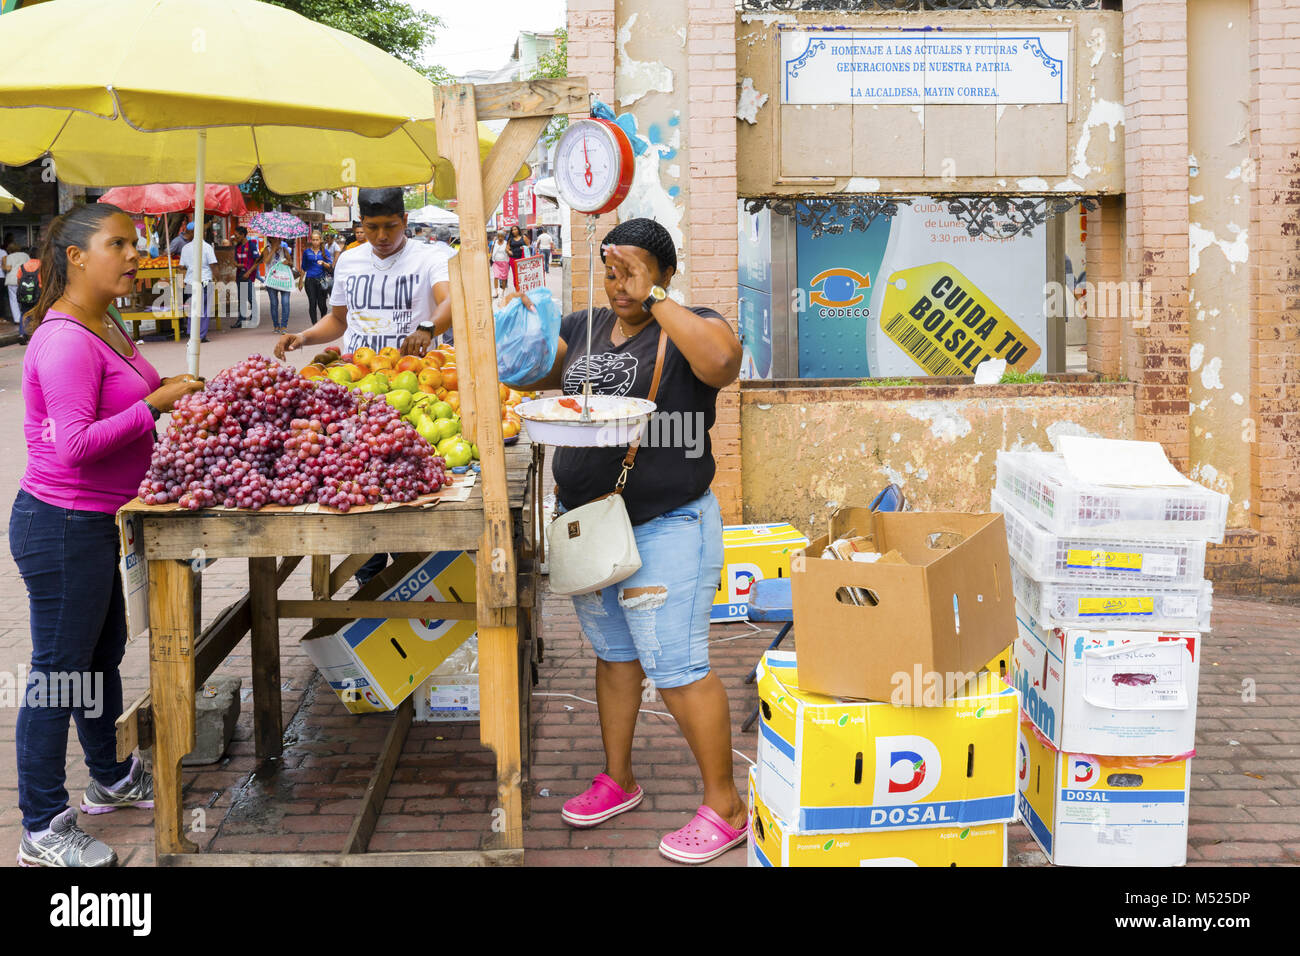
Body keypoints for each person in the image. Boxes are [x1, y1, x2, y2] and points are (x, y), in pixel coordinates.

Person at [512, 218, 745, 864]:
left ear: (665, 274)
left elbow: (723, 365)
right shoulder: (584, 326)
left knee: (677, 665)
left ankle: (726, 805)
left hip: (667, 524)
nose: (621, 285)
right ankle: (620, 777)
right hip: (591, 527)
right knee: (616, 655)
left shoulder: (692, 322)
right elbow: (533, 378)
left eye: (636, 271)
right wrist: (512, 328)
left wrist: (657, 300)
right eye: (613, 270)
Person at [11, 203, 204, 867]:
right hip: (64, 524)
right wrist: (155, 404)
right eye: (118, 243)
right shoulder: (65, 339)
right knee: (58, 676)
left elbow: (127, 406)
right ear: (75, 256)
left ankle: (112, 778)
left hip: (104, 523)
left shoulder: (109, 323)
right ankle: (41, 826)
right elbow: (74, 448)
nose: (132, 254)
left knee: (100, 655)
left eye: (135, 242)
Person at [272, 187, 454, 584]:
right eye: (372, 228)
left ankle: (419, 586)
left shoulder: (431, 257)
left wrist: (427, 327)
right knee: (361, 490)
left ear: (405, 221)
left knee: (405, 493)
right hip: (353, 394)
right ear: (361, 226)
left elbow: (449, 301)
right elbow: (339, 320)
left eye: (390, 226)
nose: (382, 236)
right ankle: (367, 589)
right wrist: (302, 338)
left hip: (413, 394)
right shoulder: (350, 260)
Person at [177, 222, 217, 343]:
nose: (205, 233)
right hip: (204, 281)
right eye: (204, 231)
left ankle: (192, 333)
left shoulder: (185, 248)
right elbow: (213, 264)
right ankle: (201, 335)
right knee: (204, 310)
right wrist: (217, 277)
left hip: (190, 282)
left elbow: (181, 266)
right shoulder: (207, 247)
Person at [260, 236, 300, 333]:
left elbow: (291, 263)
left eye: (279, 239)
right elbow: (266, 261)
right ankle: (276, 326)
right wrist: (273, 249)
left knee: (285, 302)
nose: (278, 240)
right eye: (275, 239)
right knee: (274, 304)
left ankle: (284, 326)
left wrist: (288, 263)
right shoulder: (266, 249)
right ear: (271, 239)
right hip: (271, 280)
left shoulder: (284, 249)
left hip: (284, 279)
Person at [300, 230, 334, 324]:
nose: (315, 242)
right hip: (309, 280)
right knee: (312, 303)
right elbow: (303, 267)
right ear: (311, 240)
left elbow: (330, 266)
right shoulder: (307, 252)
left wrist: (323, 263)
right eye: (313, 240)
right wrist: (300, 282)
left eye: (317, 240)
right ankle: (314, 325)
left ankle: (322, 321)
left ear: (320, 240)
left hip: (321, 280)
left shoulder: (324, 252)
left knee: (322, 304)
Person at [231, 225, 260, 327]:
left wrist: (248, 272)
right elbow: (235, 259)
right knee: (241, 298)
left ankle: (254, 318)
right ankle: (241, 320)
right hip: (240, 275)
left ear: (243, 235)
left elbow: (257, 261)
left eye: (237, 236)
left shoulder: (251, 245)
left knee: (250, 298)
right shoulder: (237, 246)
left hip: (248, 275)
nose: (235, 238)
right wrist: (236, 264)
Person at [5, 235, 31, 329]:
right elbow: (29, 266)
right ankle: (25, 317)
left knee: (13, 300)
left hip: (12, 280)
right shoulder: (25, 255)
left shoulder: (9, 256)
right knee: (24, 298)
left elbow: (8, 268)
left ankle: (17, 319)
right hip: (24, 279)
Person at [490, 232, 511, 298]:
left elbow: (508, 250)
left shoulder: (506, 243)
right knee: (496, 276)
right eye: (499, 236)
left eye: (501, 236)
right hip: (496, 262)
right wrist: (489, 257)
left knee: (504, 278)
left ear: (504, 236)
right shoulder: (494, 243)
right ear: (497, 236)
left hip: (504, 262)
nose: (500, 237)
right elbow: (491, 251)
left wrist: (509, 252)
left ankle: (502, 292)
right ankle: (496, 292)